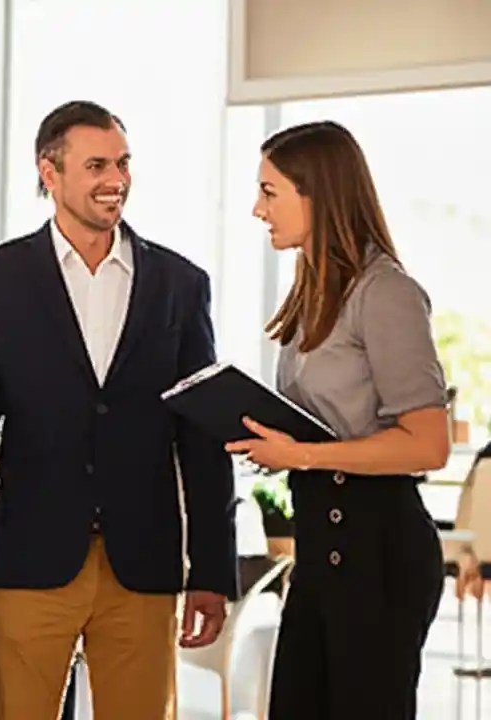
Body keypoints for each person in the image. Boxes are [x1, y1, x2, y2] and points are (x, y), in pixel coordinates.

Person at [0, 99, 238, 720]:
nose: (116, 180)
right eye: (97, 165)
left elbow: (203, 438)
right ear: (49, 173)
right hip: (34, 555)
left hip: (144, 563)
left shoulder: (181, 285)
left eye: (123, 163)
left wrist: (213, 571)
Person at [227, 120, 449, 720]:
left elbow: (428, 445)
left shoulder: (386, 293)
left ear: (318, 194)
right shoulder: (313, 295)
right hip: (321, 549)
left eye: (269, 192)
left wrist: (299, 455)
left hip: (378, 553)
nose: (257, 209)